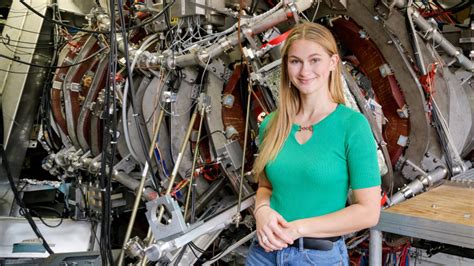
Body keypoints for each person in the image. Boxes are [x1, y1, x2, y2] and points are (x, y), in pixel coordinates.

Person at [246, 22, 381, 265]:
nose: (304, 70)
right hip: (263, 254)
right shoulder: (272, 124)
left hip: (317, 257)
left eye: (315, 60)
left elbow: (369, 212)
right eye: (295, 61)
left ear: (332, 63)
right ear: (286, 66)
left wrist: (299, 228)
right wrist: (261, 212)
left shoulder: (352, 126)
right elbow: (266, 188)